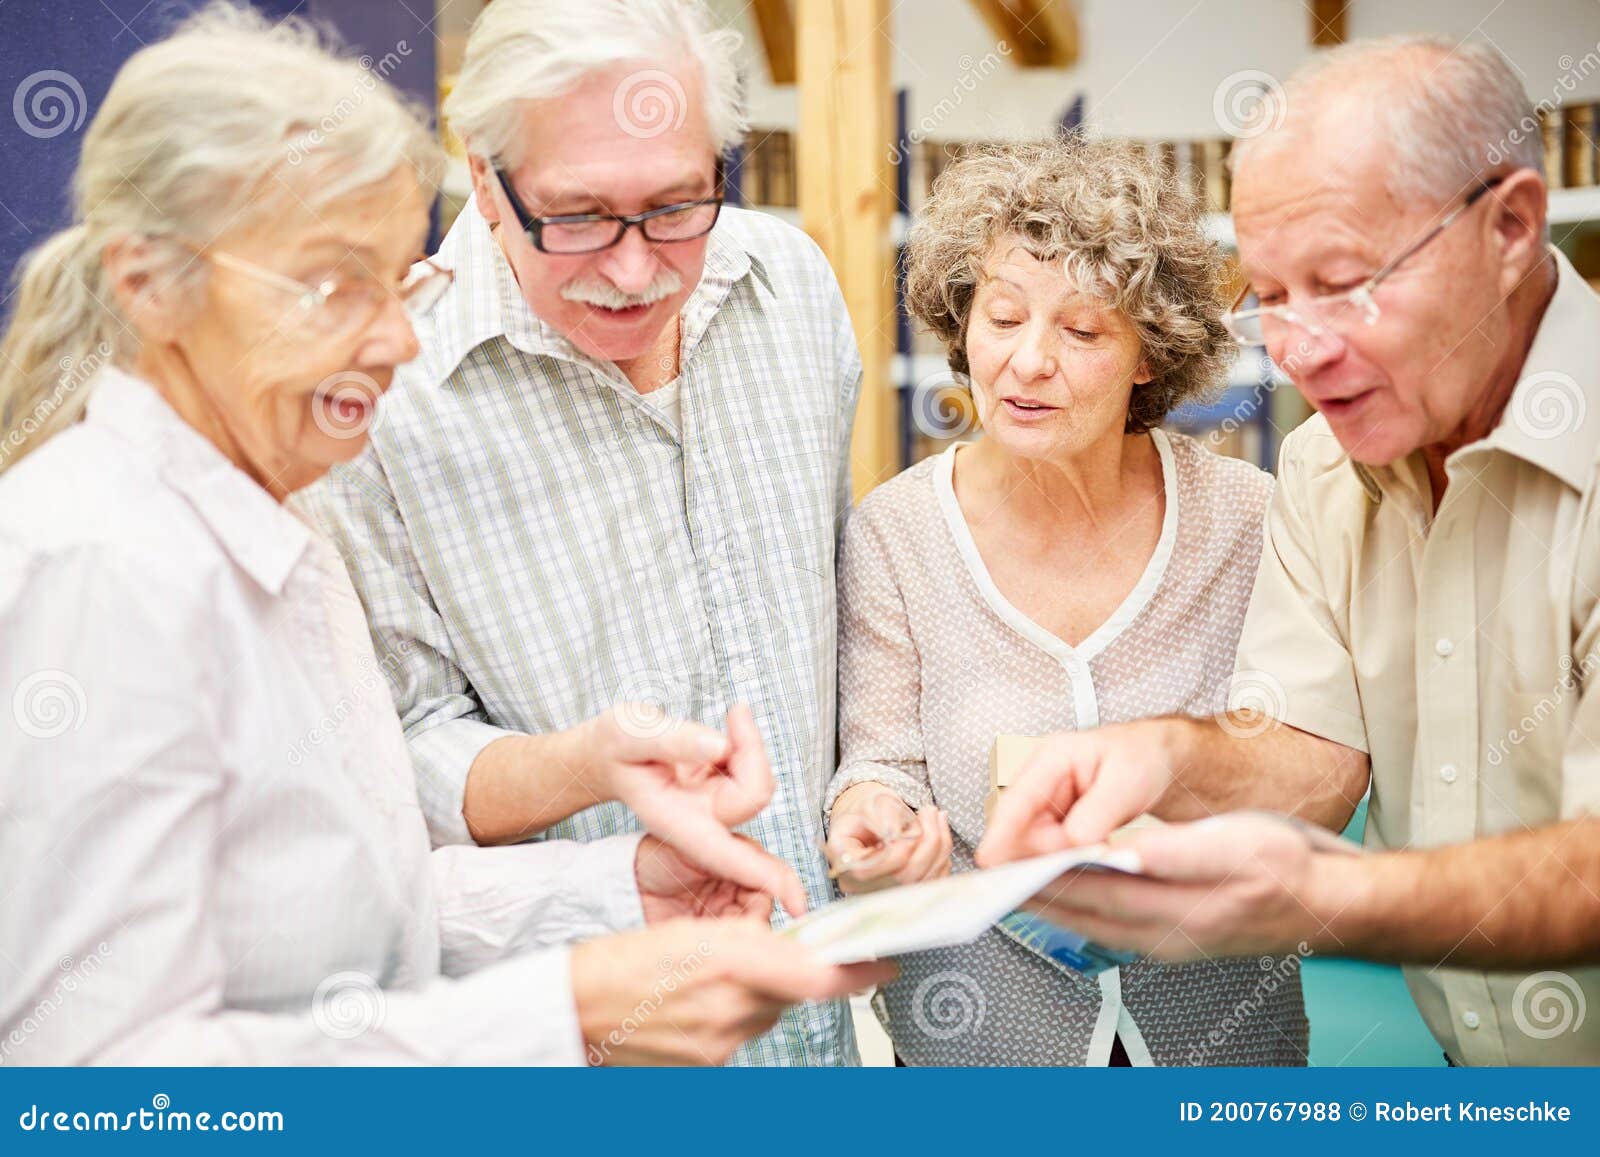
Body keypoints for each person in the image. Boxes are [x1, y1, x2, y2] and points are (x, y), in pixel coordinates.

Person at [0, 4, 891, 1067]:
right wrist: (557, 1010)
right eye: (334, 288)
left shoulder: (278, 537)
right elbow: (87, 1091)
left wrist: (611, 888)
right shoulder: (95, 566)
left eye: (398, 279)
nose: (397, 337)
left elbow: (369, 914)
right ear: (149, 286)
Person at [978, 36, 1600, 1066]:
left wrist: (1324, 895)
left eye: (1345, 281)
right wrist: (1165, 754)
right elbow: (1309, 748)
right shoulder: (1321, 468)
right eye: (1269, 294)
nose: (1299, 349)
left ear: (1510, 226)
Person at [295, 0, 864, 1065]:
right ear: (481, 174)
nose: (637, 269)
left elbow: (838, 607)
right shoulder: (382, 391)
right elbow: (396, 756)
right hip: (584, 1050)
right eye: (580, 217)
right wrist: (585, 764)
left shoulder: (793, 288)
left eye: (676, 205)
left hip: (818, 1033)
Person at [822, 136, 1306, 1066]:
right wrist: (873, 820)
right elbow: (880, 760)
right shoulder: (896, 534)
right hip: (981, 1049)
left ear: (1147, 354)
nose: (1027, 362)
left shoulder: (1247, 518)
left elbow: (1301, 756)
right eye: (1001, 318)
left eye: (1081, 332)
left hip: (1223, 1037)